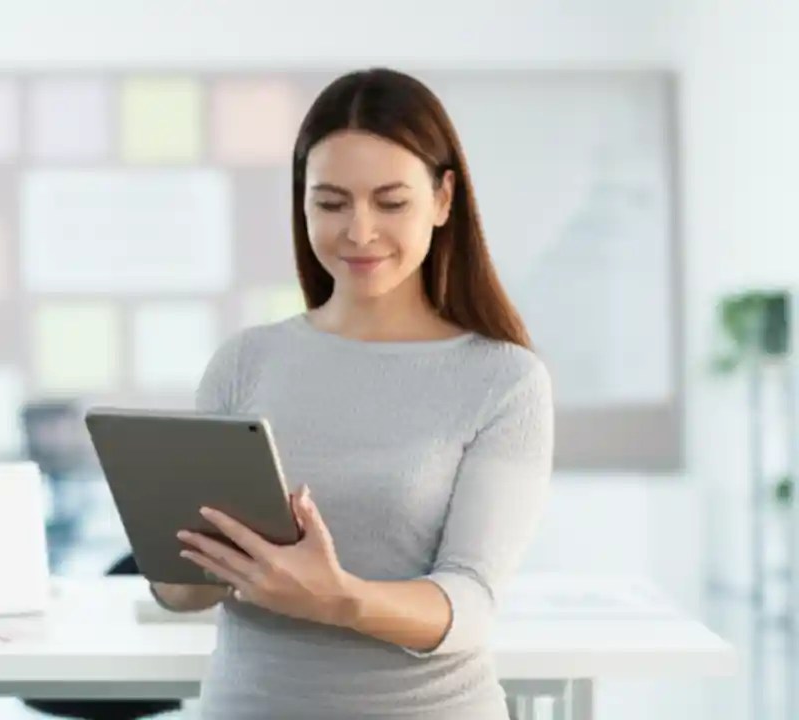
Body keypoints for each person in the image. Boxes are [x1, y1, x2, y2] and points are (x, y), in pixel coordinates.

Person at [150, 67, 555, 719]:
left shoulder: (503, 380)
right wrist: (185, 562)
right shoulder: (246, 361)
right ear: (301, 202)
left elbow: (472, 602)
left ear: (443, 199)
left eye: (391, 202)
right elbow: (184, 590)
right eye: (331, 203)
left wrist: (337, 596)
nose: (359, 232)